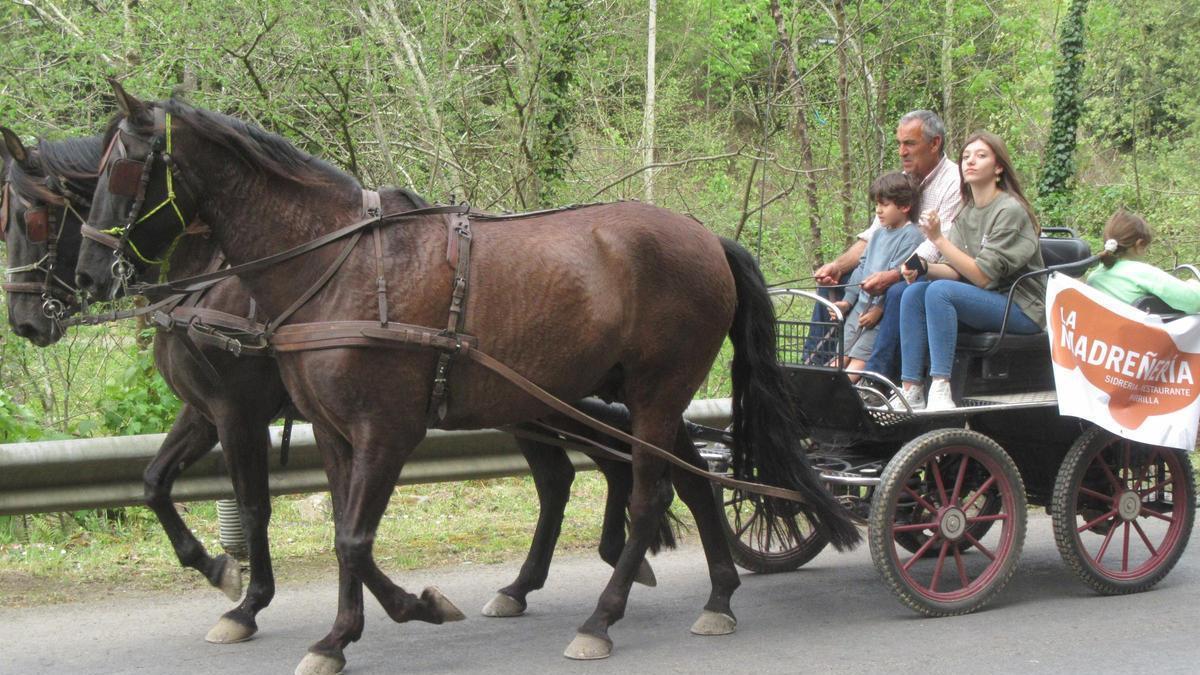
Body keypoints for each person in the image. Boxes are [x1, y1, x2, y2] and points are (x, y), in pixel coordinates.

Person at [805, 110, 962, 381]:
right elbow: (871, 239)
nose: (902, 151)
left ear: (934, 143)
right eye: (899, 144)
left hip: (927, 274)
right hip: (884, 270)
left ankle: (875, 378)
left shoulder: (954, 182)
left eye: (910, 144)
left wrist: (892, 275)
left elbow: (934, 247)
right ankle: (812, 369)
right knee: (830, 282)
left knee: (899, 290)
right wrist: (836, 267)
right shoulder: (899, 182)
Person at [896, 131, 1047, 411]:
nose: (970, 162)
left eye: (981, 156)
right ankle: (911, 388)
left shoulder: (1009, 210)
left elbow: (982, 276)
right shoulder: (967, 212)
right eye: (965, 156)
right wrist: (925, 268)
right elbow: (956, 271)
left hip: (1022, 307)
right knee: (915, 292)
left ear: (998, 167)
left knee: (941, 293)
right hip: (983, 298)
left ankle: (941, 388)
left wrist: (938, 239)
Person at [830, 172, 924, 377]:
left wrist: (878, 310)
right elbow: (861, 268)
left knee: (860, 357)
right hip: (859, 307)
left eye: (884, 205)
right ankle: (820, 391)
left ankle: (843, 397)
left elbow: (898, 278)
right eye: (876, 205)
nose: (878, 210)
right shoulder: (878, 233)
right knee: (840, 354)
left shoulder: (911, 236)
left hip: (879, 315)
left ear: (905, 206)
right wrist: (847, 301)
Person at [1086, 209, 1200, 313]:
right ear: (1139, 244)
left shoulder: (1093, 278)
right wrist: (1193, 284)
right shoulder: (1141, 273)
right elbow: (1194, 301)